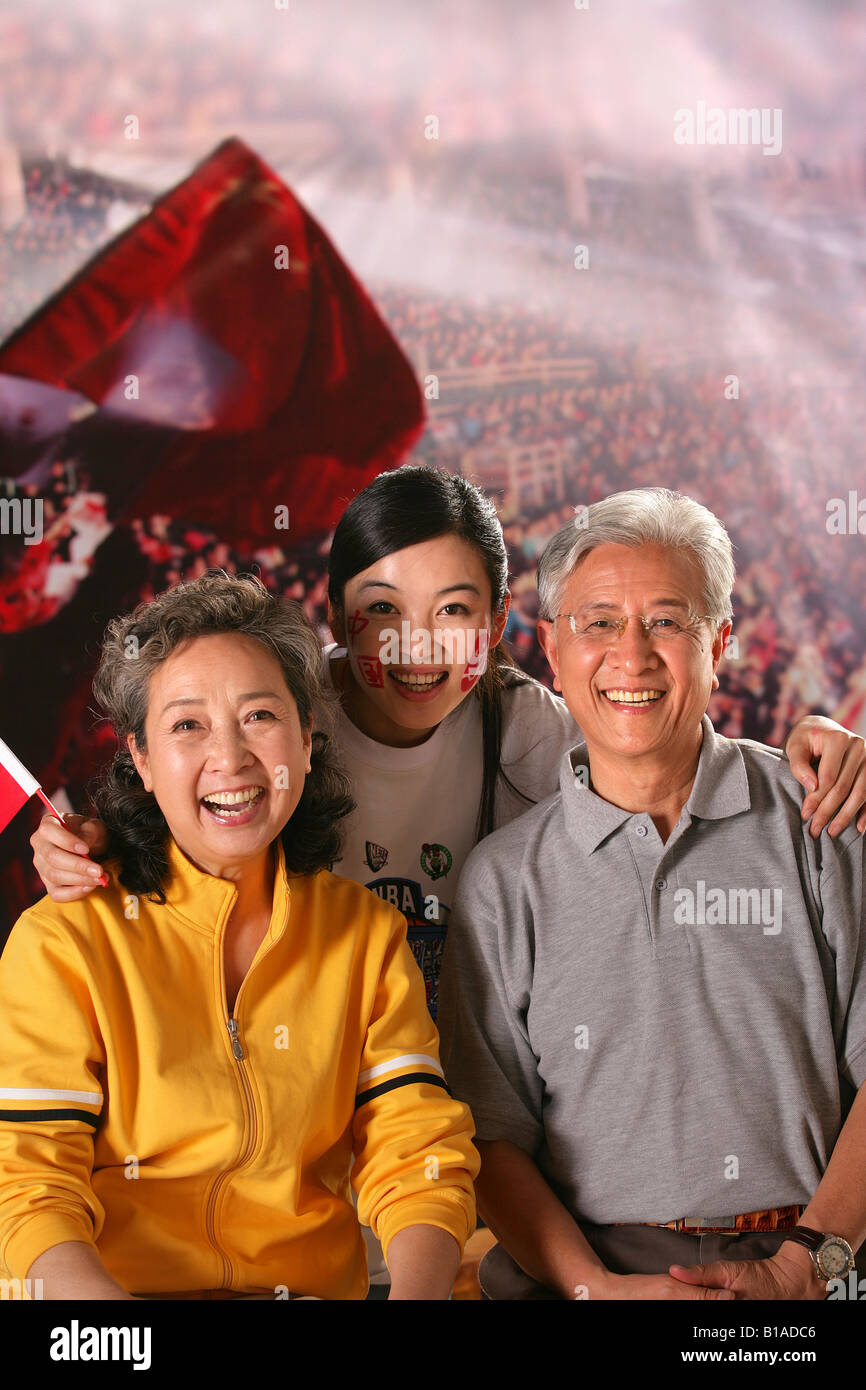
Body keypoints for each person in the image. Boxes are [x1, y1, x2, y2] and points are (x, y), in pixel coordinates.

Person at [23, 465, 866, 1290]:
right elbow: (193, 765)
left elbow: (644, 732)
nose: (417, 646)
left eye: (453, 612)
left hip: (425, 1178)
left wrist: (810, 746)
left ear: (503, 625)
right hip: (320, 1191)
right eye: (381, 611)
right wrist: (107, 844)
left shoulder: (526, 730)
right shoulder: (272, 704)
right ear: (338, 628)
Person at [438, 486, 866, 1300]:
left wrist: (813, 1265)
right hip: (586, 1273)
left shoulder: (822, 820)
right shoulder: (502, 881)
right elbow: (492, 1140)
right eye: (598, 623)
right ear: (552, 651)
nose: (631, 656)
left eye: (668, 621)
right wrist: (592, 1289)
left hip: (816, 1254)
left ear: (722, 644)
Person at [0, 573, 478, 1299]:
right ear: (142, 760)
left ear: (308, 740)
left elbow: (416, 1153)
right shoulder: (63, 940)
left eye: (259, 716)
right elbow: (29, 1185)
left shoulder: (365, 934)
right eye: (187, 724)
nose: (230, 758)